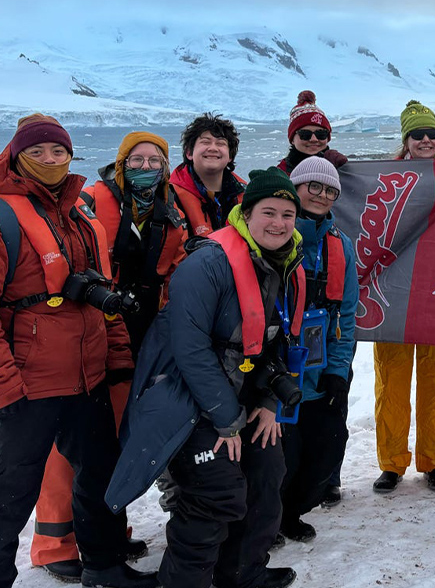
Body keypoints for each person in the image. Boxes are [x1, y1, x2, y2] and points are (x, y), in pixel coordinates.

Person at [0, 114, 155, 588]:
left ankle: (104, 567)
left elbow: (103, 295)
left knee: (100, 478)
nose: (49, 159)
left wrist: (118, 358)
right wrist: (1, 383)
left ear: (70, 156)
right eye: (37, 151)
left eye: (58, 151)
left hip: (88, 378)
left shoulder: (79, 218)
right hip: (27, 385)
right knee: (10, 492)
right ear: (16, 157)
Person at [107, 167, 309, 588]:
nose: (278, 223)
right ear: (246, 213)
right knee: (214, 494)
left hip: (244, 391)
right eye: (268, 212)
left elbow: (278, 337)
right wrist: (226, 418)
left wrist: (271, 403)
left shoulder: (285, 260)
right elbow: (189, 347)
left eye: (287, 215)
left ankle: (241, 572)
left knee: (267, 474)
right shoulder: (209, 263)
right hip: (189, 397)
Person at [31, 131, 187, 579]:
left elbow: (172, 268)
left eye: (154, 160)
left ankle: (106, 533)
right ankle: (55, 543)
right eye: (135, 160)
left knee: (109, 442)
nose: (145, 168)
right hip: (92, 330)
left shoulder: (169, 208)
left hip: (141, 334)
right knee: (72, 446)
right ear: (120, 165)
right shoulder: (89, 203)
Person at [373, 101, 435, 493]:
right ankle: (391, 462)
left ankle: (434, 461)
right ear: (406, 140)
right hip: (392, 290)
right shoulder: (386, 177)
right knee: (391, 379)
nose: (426, 141)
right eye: (418, 135)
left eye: (432, 134)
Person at [278, 156, 360, 540]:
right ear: (295, 189)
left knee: (325, 450)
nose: (322, 195)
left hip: (319, 366)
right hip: (276, 368)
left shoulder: (340, 246)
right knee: (278, 456)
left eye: (329, 190)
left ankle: (293, 511)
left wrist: (338, 372)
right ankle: (268, 519)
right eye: (314, 186)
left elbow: (346, 316)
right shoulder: (275, 238)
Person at [170, 113, 246, 236]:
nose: (213, 148)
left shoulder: (244, 194)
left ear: (230, 156)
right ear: (189, 152)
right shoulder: (169, 196)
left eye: (220, 143)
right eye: (205, 142)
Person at [277, 91, 348, 174]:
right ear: (292, 139)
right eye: (305, 134)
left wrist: (343, 168)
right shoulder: (280, 175)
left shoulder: (337, 164)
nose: (313, 139)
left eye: (321, 134)